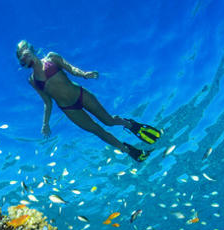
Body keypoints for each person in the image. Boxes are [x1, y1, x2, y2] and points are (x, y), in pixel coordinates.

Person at [16, 40, 162, 162]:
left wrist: (85, 74)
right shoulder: (33, 80)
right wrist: (45, 123)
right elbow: (47, 102)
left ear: (31, 49)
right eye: (21, 56)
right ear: (22, 61)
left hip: (80, 94)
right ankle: (128, 150)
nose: (24, 54)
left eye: (25, 50)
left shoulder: (51, 58)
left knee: (109, 121)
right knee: (97, 131)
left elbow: (71, 69)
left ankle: (130, 125)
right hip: (69, 109)